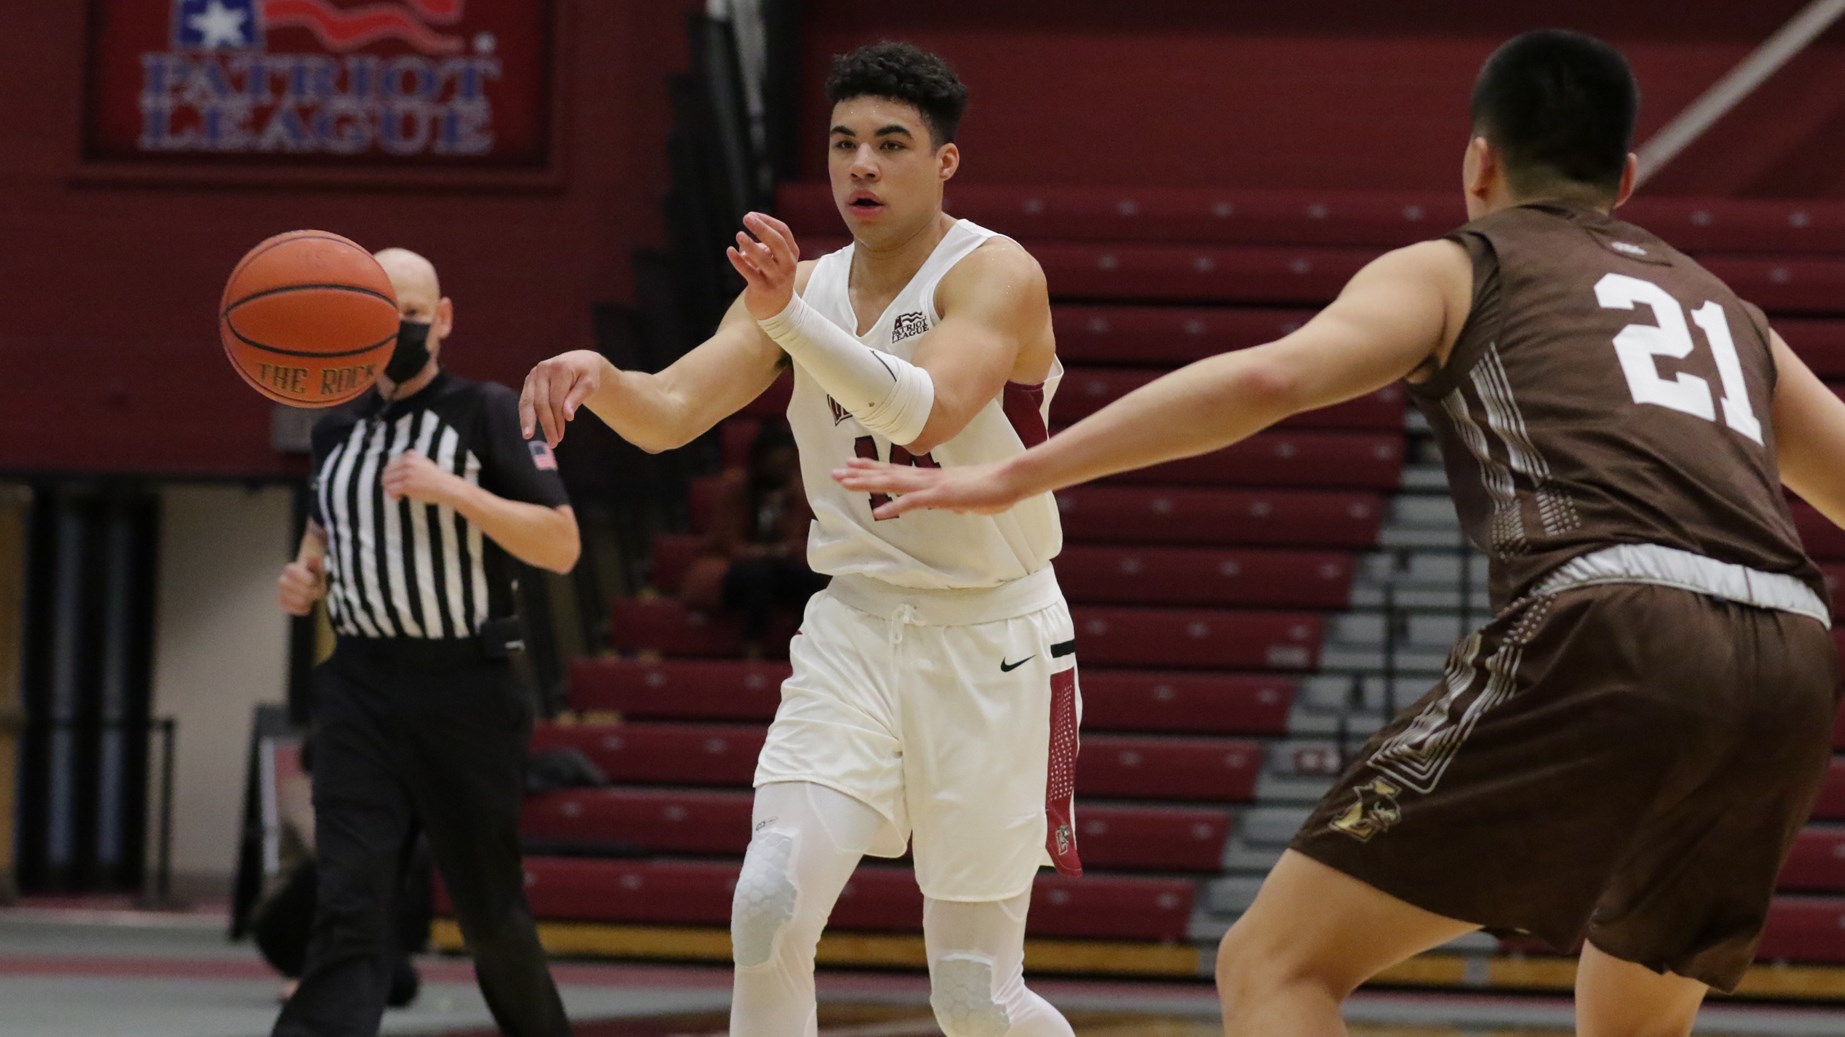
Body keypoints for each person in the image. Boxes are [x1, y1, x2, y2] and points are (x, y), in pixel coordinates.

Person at [837, 29, 1845, 1037]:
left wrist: (1016, 471)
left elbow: (1272, 377)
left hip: (1616, 618)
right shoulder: (1729, 312)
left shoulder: (1463, 263)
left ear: (1479, 162)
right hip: (1792, 652)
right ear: (1625, 177)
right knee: (1635, 1012)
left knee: (1277, 964)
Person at [520, 41, 1079, 1037]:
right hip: (855, 627)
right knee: (768, 901)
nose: (861, 164)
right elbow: (669, 411)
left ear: (944, 162)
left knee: (973, 995)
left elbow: (929, 410)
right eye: (844, 143)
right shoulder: (797, 289)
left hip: (993, 637)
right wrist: (603, 375)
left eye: (891, 144)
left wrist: (790, 323)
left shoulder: (995, 272)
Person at [273, 247, 580, 1037]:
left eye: (411, 313)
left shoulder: (487, 411)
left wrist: (454, 490)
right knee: (348, 902)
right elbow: (322, 528)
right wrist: (305, 575)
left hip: (466, 688)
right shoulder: (333, 425)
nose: (399, 329)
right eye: (382, 315)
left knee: (488, 914)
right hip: (360, 687)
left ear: (441, 319)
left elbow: (561, 543)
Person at [248, 737, 431, 1010]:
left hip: (356, 913)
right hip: (288, 920)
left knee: (402, 986)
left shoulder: (372, 797)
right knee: (328, 867)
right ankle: (306, 973)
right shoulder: (300, 788)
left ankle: (350, 970)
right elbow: (319, 845)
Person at [679, 421, 828, 652]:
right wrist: (769, 552)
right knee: (758, 576)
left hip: (781, 567)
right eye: (774, 465)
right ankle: (753, 647)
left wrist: (783, 516)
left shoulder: (797, 491)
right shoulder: (736, 487)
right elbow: (727, 544)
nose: (779, 471)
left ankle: (807, 649)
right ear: (760, 461)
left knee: (807, 578)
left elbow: (801, 542)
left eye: (785, 466)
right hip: (736, 568)